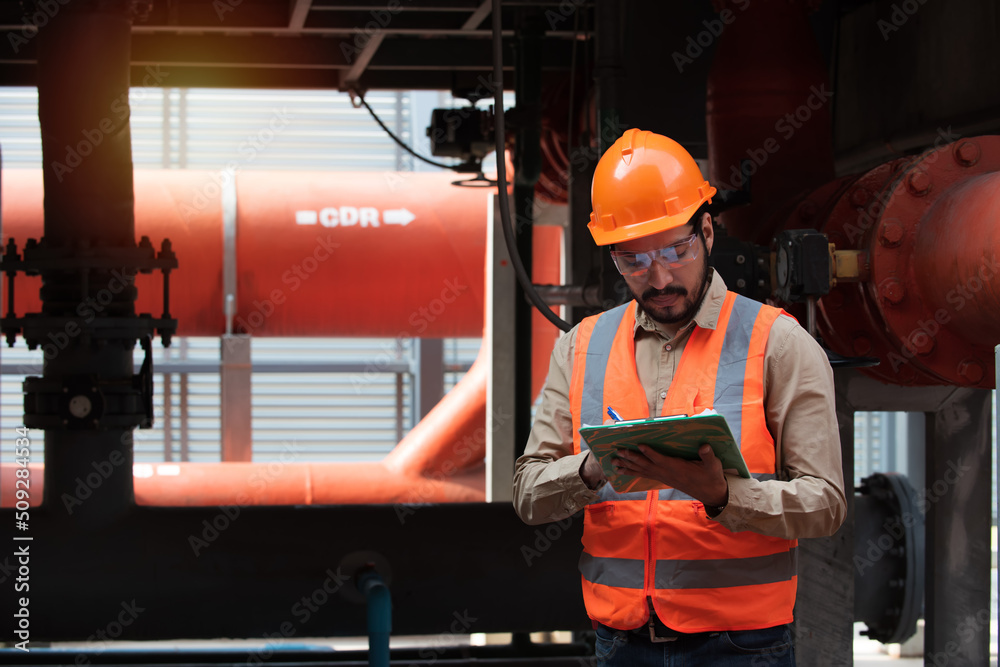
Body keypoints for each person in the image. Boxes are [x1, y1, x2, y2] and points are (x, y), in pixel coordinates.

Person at [512, 129, 847, 666]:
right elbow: (528, 494)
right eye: (634, 260)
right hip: (619, 644)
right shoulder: (581, 347)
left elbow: (825, 505)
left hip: (742, 647)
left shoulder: (777, 343)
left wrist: (724, 497)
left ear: (708, 231)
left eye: (676, 249)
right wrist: (591, 471)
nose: (660, 276)